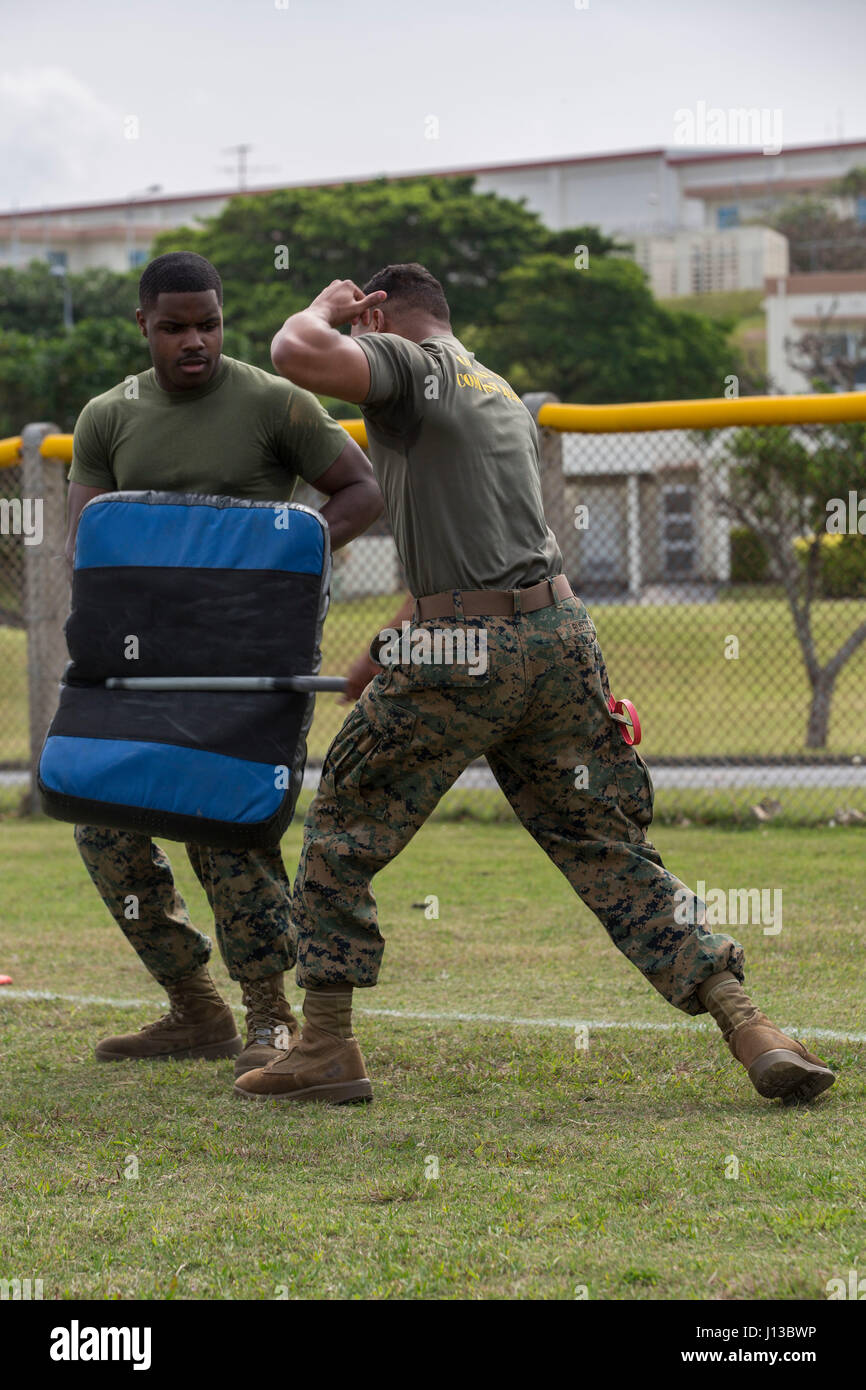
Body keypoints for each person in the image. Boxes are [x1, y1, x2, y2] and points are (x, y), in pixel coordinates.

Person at [235, 262, 835, 1109]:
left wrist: (327, 308)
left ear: (381, 320)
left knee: (342, 828)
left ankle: (326, 1045)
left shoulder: (414, 367)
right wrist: (397, 631)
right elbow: (483, 541)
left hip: (464, 650)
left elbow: (296, 351)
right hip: (557, 640)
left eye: (364, 328)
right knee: (605, 847)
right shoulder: (496, 390)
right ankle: (751, 1026)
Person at [65, 251, 382, 1077]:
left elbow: (359, 490)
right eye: (175, 328)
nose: (194, 341)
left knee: (229, 831)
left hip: (245, 657)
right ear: (144, 327)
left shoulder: (275, 401)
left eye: (207, 324)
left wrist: (281, 556)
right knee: (103, 825)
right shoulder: (106, 418)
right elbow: (86, 542)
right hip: (143, 662)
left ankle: (270, 1017)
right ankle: (194, 1008)